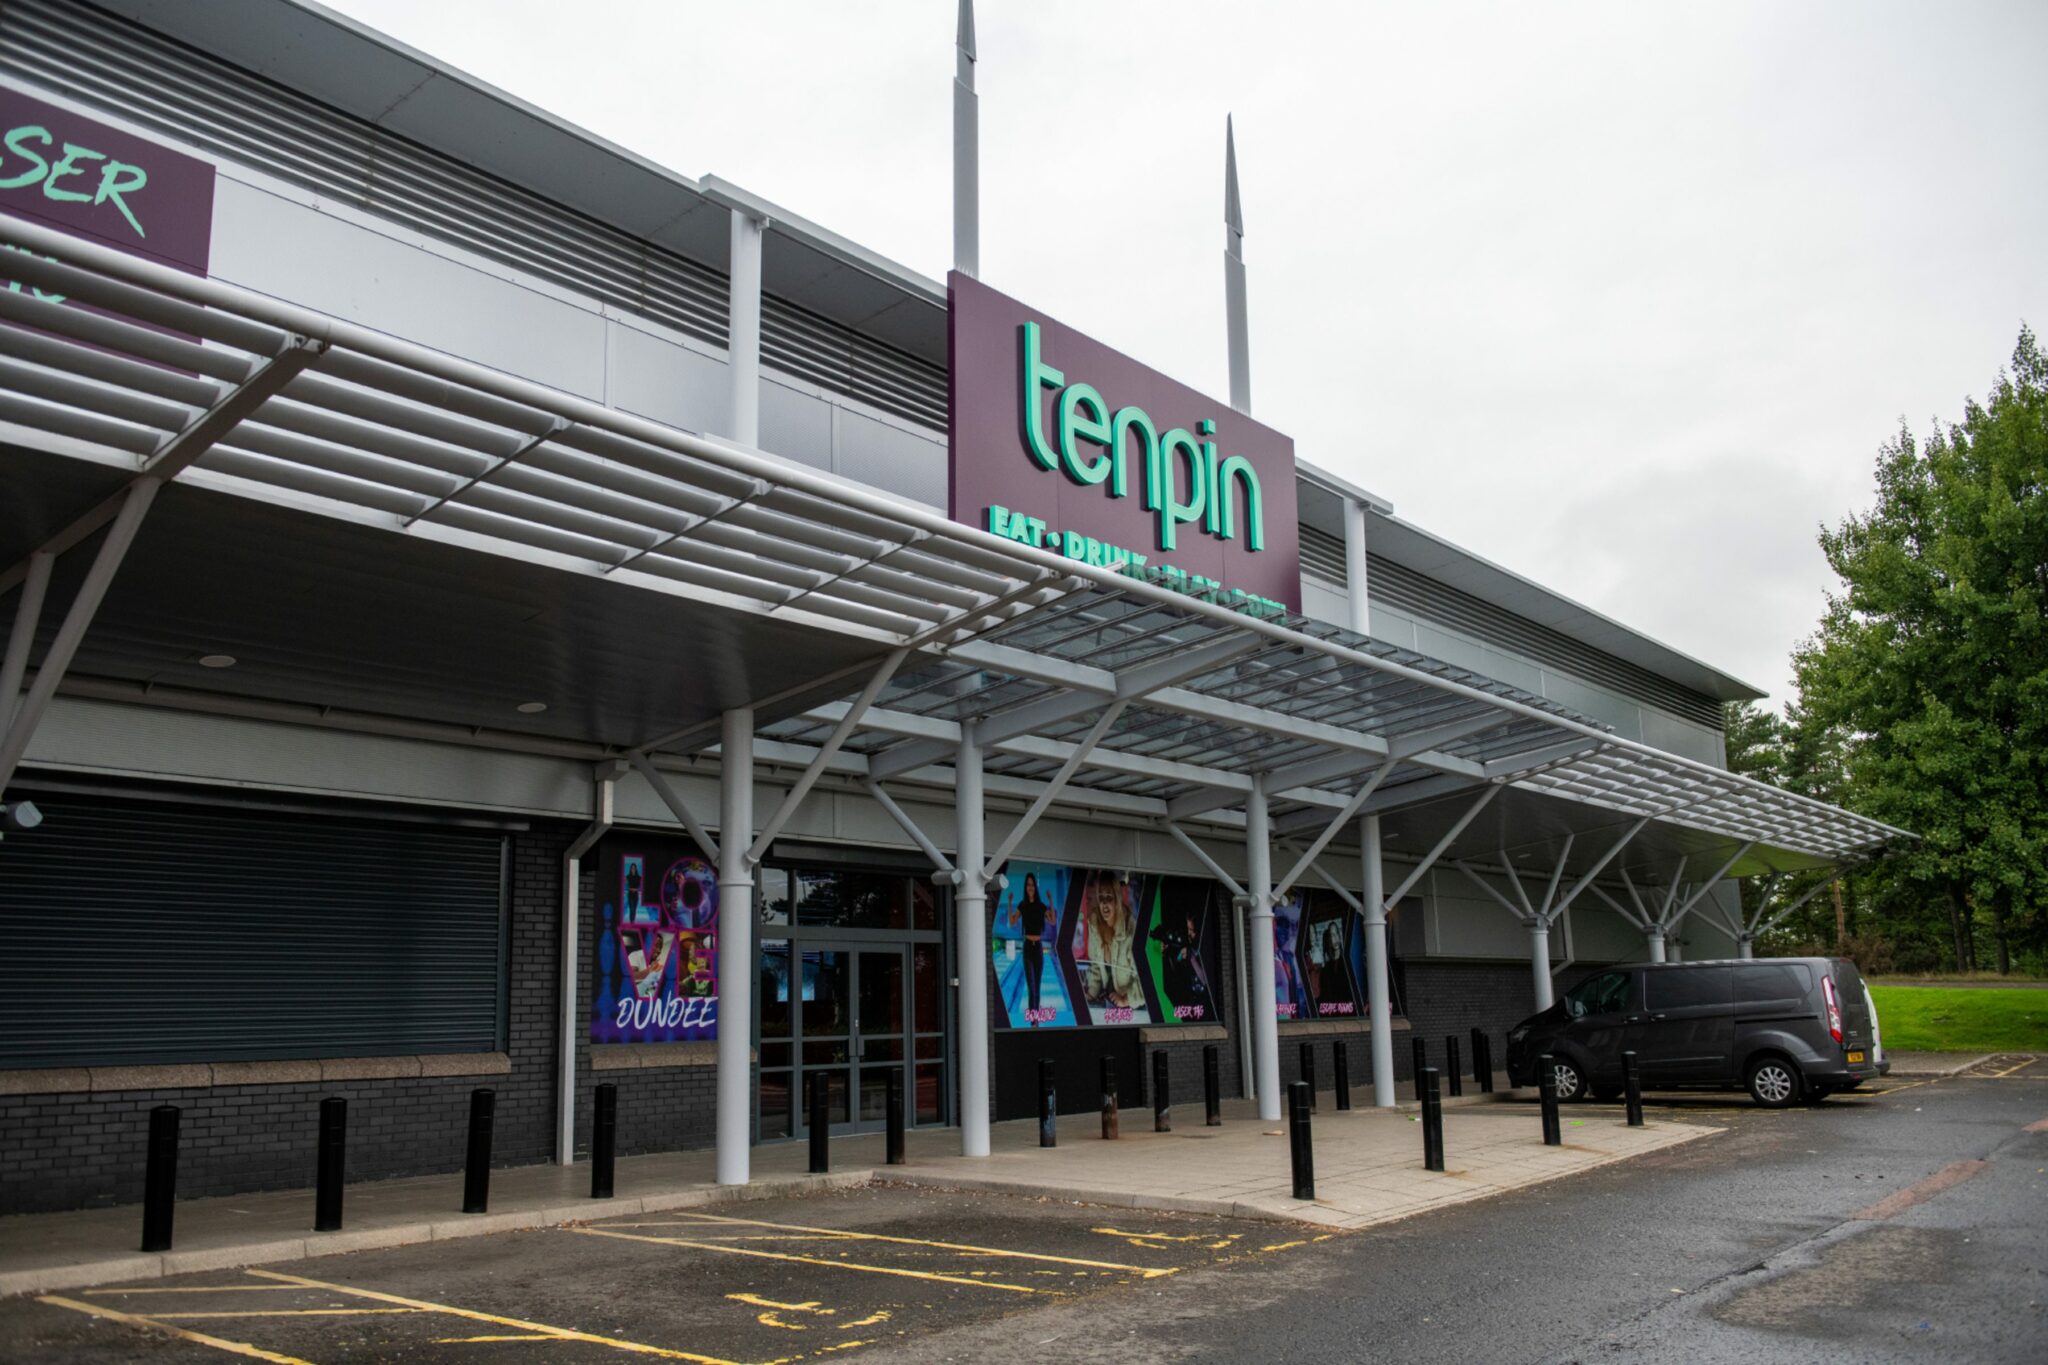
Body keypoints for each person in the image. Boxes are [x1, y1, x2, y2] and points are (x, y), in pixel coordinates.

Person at [1017, 872, 1049, 1018]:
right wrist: (1010, 904)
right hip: (1028, 947)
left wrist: (1050, 901)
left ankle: (1036, 1020)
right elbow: (1012, 920)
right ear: (1026, 887)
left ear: (1035, 887)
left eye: (1032, 885)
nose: (1030, 887)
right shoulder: (1022, 905)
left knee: (1037, 986)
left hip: (1038, 948)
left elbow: (1052, 920)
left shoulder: (1041, 906)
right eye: (1028, 885)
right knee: (1031, 986)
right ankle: (1033, 1019)